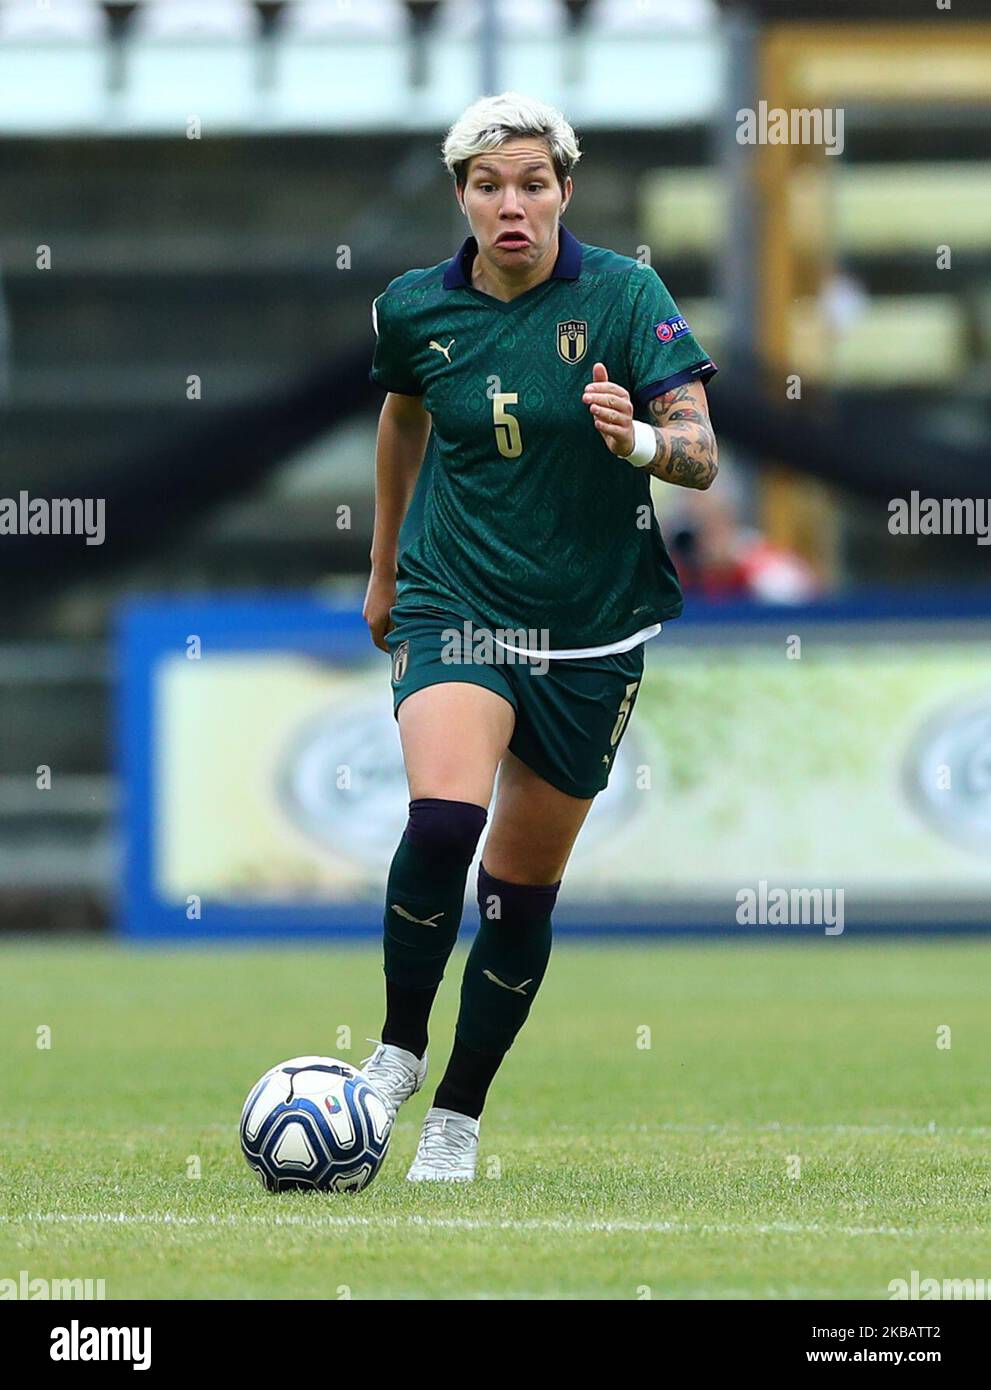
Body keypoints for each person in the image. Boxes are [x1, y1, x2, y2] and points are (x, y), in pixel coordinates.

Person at [361, 92, 718, 1181]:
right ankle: (394, 1050)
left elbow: (702, 454)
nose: (509, 206)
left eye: (530, 184)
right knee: (439, 818)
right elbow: (403, 417)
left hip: (592, 627)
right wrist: (382, 569)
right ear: (460, 195)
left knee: (518, 891)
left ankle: (458, 1115)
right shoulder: (413, 310)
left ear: (565, 189)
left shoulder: (624, 295)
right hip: (455, 600)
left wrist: (643, 440)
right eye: (486, 185)